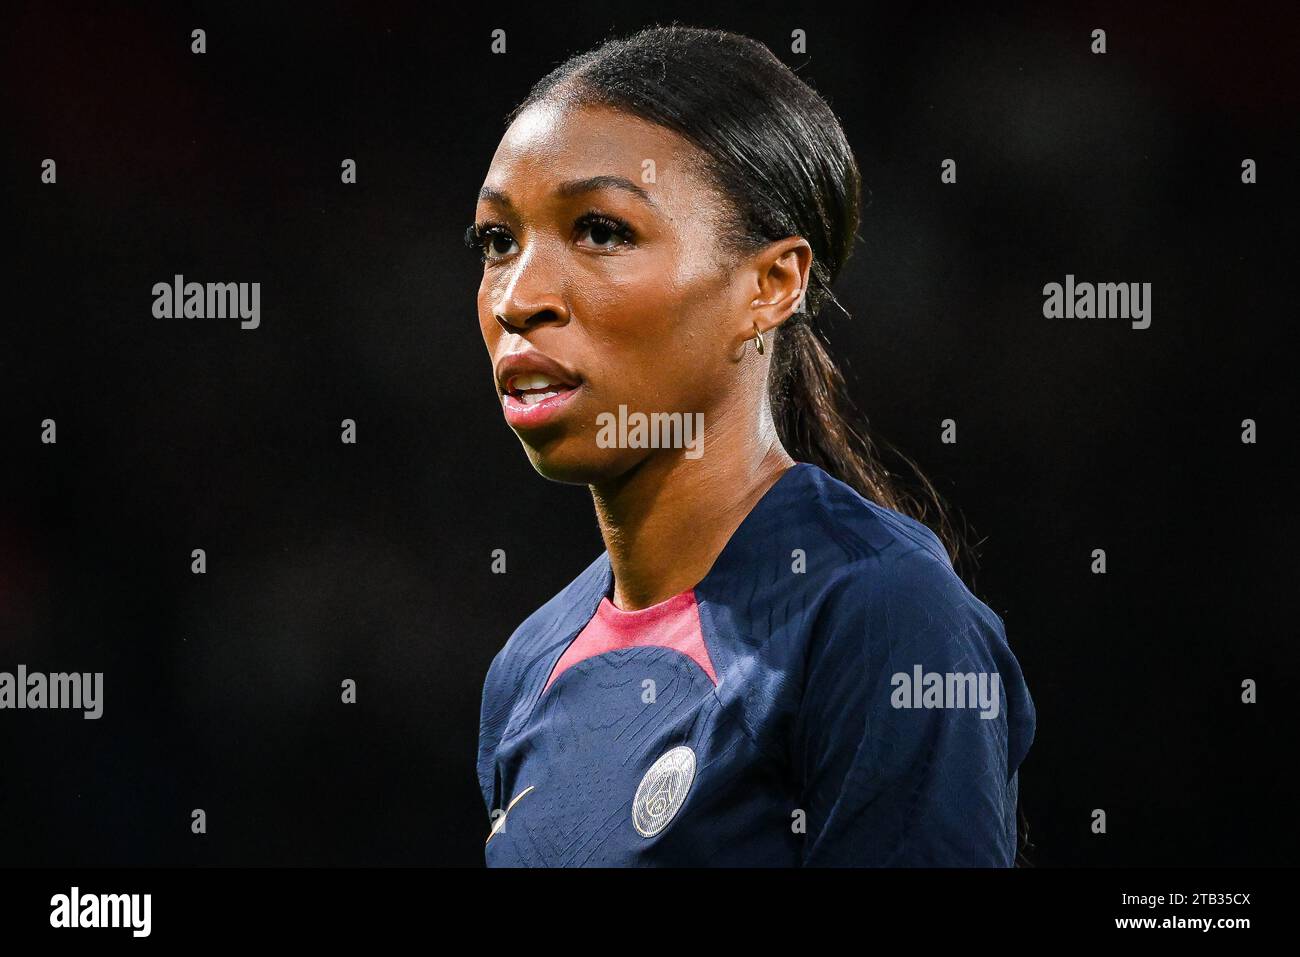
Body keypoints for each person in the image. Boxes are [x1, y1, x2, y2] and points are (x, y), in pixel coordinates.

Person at [467, 24, 1035, 866]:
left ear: (771, 285)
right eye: (497, 241)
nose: (518, 297)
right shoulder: (527, 667)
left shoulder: (882, 615)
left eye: (601, 230)